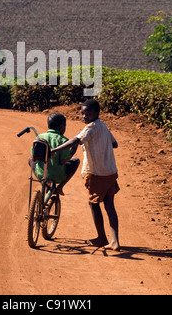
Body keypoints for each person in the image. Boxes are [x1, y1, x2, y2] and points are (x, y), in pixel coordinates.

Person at [51, 99, 120, 250]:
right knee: (109, 205)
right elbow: (114, 143)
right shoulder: (102, 126)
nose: (84, 116)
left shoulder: (91, 128)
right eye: (82, 113)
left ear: (97, 113)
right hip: (110, 172)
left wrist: (54, 151)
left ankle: (102, 238)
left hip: (97, 172)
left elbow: (75, 140)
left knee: (93, 203)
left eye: (88, 113)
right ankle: (114, 241)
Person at [32, 112, 80, 196]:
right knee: (76, 161)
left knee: (30, 160)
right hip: (58, 175)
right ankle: (60, 187)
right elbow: (63, 161)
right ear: (61, 126)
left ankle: (43, 183)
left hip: (41, 174)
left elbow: (34, 156)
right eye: (64, 126)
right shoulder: (64, 141)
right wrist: (74, 149)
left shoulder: (39, 137)